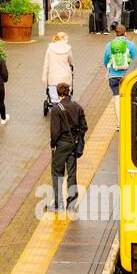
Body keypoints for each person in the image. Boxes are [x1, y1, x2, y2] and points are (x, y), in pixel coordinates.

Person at [48, 81, 88, 212]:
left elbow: (55, 132)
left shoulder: (56, 109)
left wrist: (53, 144)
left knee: (57, 173)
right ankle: (71, 203)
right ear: (69, 92)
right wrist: (77, 138)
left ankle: (58, 205)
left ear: (58, 93)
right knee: (72, 173)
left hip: (60, 145)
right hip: (73, 144)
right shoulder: (77, 107)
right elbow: (84, 127)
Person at [103, 25, 137, 131]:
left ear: (115, 33)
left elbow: (105, 60)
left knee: (117, 98)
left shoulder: (109, 45)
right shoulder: (131, 44)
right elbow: (136, 59)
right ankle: (129, 119)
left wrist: (110, 70)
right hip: (127, 76)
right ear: (125, 33)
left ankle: (119, 122)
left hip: (113, 76)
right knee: (128, 97)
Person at [41, 31, 74, 107]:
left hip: (53, 78)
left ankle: (55, 107)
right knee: (65, 94)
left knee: (54, 97)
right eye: (66, 39)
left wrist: (44, 77)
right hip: (65, 77)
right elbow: (71, 62)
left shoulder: (50, 48)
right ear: (62, 39)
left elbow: (46, 64)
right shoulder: (67, 49)